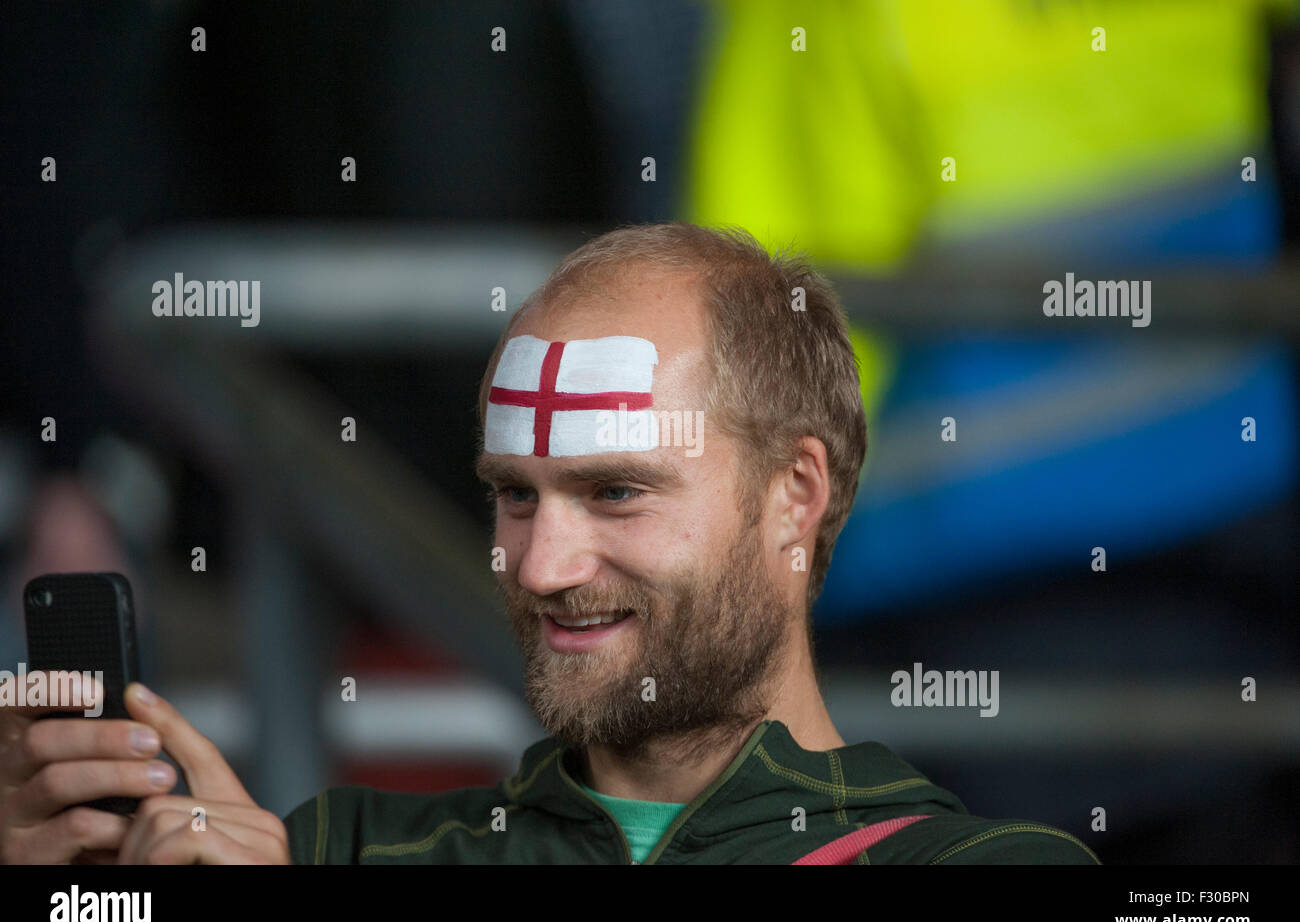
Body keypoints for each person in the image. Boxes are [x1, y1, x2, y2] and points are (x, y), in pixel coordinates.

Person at [0, 223, 1099, 864]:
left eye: (615, 491)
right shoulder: (337, 840)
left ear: (793, 494)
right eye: (514, 497)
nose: (538, 565)